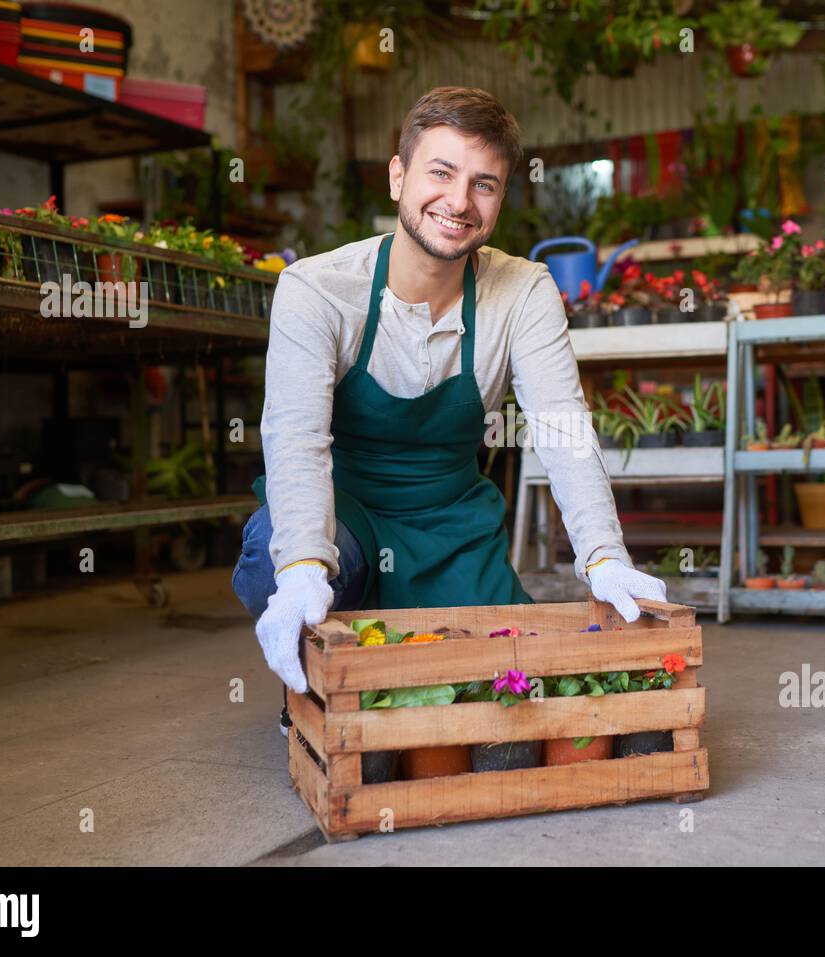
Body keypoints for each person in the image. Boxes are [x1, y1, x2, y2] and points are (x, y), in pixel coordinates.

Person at [232, 87, 666, 730]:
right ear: (397, 175)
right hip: (342, 514)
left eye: (484, 184)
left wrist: (604, 556)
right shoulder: (317, 289)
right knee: (278, 549)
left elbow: (563, 428)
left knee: (508, 676)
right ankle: (319, 690)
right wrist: (301, 567)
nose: (459, 202)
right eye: (441, 172)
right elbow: (295, 438)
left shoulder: (523, 291)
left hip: (451, 527)